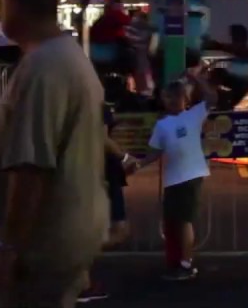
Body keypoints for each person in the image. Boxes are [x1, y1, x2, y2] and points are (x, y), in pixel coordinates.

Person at [0, 0, 109, 308]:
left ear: (15, 4)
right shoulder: (68, 58)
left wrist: (6, 249)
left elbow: (31, 166)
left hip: (44, 243)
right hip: (70, 234)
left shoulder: (44, 67)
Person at [138, 68, 216, 281]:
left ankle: (186, 264)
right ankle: (177, 260)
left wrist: (195, 78)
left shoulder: (193, 115)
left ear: (185, 99)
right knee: (173, 221)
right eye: (169, 97)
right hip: (173, 179)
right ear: (164, 99)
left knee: (183, 221)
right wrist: (137, 165)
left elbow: (211, 97)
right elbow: (154, 152)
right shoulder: (162, 125)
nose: (173, 101)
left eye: (177, 97)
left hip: (190, 177)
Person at [78, 104, 139, 304]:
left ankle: (79, 277)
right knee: (118, 229)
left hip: (86, 171)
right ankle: (72, 260)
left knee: (89, 228)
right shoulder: (97, 105)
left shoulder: (74, 106)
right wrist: (125, 157)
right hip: (104, 173)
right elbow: (102, 138)